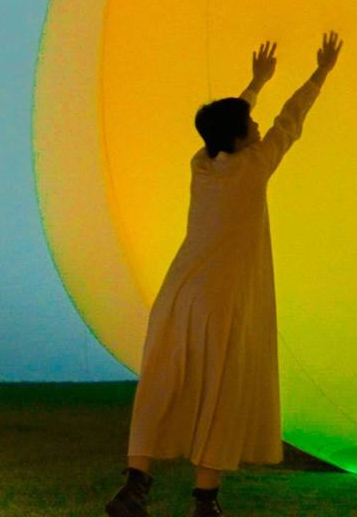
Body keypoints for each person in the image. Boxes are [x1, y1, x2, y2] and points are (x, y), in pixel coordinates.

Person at [106, 31, 344, 517]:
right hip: (222, 300)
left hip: (178, 294)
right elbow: (289, 121)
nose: (256, 125)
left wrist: (255, 83)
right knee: (217, 389)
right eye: (248, 123)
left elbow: (231, 122)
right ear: (240, 136)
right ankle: (205, 500)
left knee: (162, 384)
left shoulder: (202, 164)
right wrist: (320, 72)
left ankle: (136, 483)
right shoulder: (254, 166)